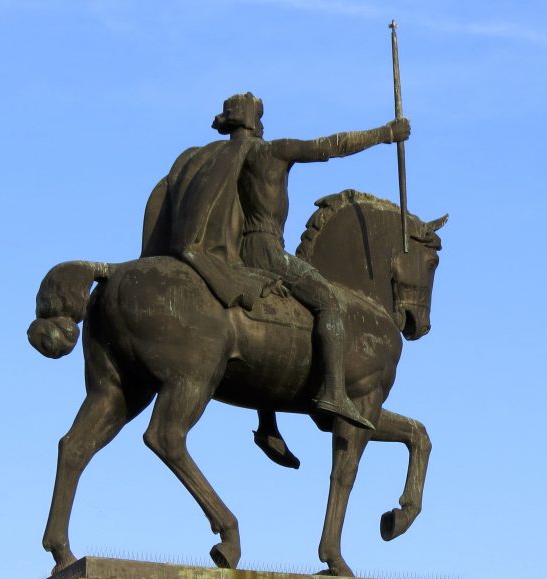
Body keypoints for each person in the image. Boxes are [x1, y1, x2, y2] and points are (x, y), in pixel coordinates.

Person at [142, 92, 410, 432]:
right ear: (256, 122)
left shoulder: (217, 158)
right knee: (328, 302)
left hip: (237, 252)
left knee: (276, 313)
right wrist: (385, 134)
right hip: (267, 250)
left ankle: (268, 420)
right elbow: (330, 146)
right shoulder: (271, 152)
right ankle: (333, 390)